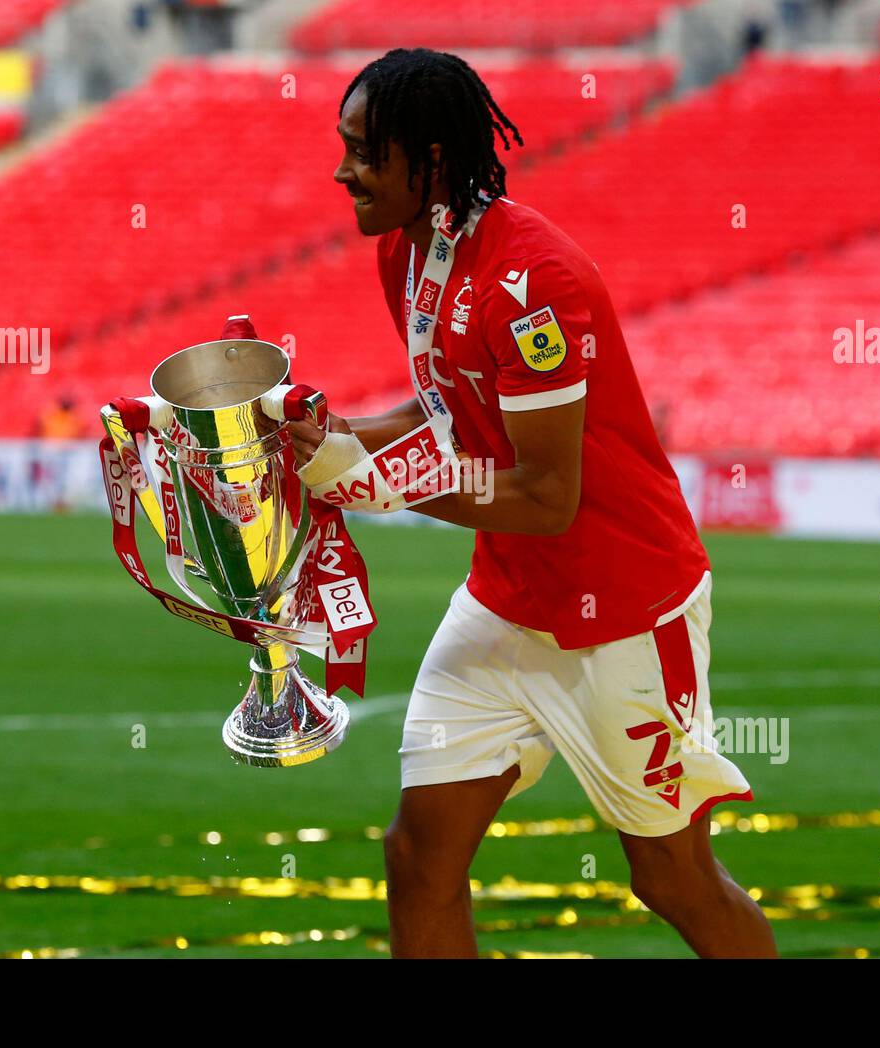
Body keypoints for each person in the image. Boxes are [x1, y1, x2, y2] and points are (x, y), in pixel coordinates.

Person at [288, 47, 776, 959]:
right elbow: (447, 409)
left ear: (429, 162)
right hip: (506, 602)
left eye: (363, 150)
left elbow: (549, 497)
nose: (343, 169)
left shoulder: (532, 283)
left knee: (670, 877)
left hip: (620, 609)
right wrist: (332, 433)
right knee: (420, 856)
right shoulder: (409, 252)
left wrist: (379, 485)